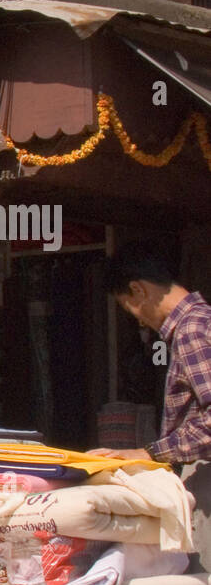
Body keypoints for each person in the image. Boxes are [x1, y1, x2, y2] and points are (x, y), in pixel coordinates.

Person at [93, 241, 211, 567]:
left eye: (128, 307)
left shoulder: (192, 331)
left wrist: (150, 453)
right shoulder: (201, 323)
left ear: (138, 290)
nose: (139, 320)